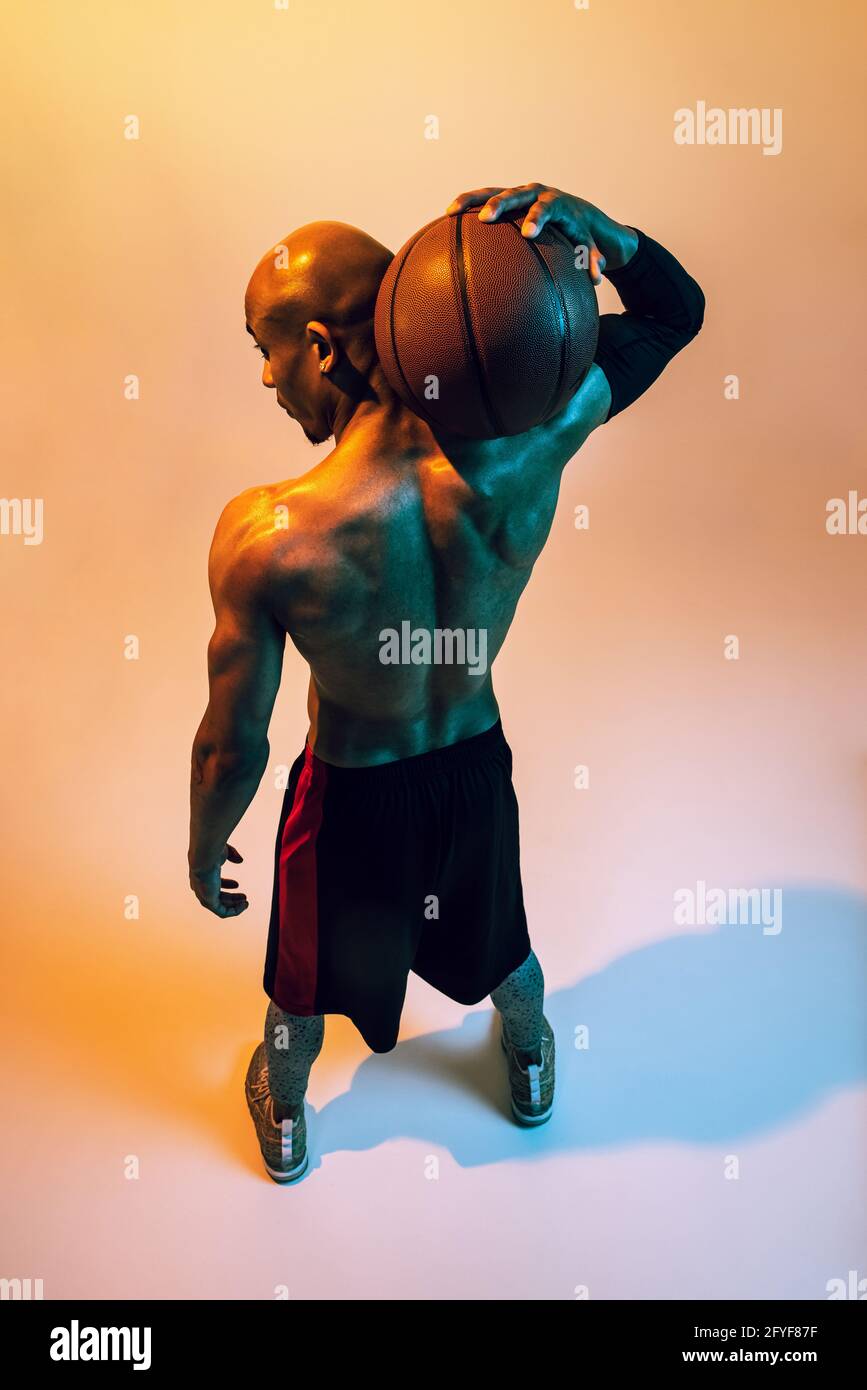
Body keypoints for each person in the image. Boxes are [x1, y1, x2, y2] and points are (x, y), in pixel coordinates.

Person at [188, 183, 705, 1182]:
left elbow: (231, 741)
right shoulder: (533, 442)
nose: (264, 377)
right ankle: (527, 1050)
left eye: (265, 347)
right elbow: (675, 315)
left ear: (324, 348)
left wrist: (207, 846)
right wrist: (604, 232)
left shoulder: (268, 534)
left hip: (348, 793)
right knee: (500, 939)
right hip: (470, 764)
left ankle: (289, 1118)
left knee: (297, 991)